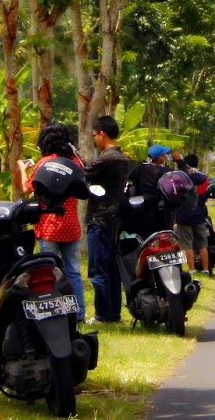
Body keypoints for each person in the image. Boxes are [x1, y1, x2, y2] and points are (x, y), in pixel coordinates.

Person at [18, 122, 86, 314]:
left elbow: (26, 189)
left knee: (48, 271)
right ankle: (79, 312)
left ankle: (54, 310)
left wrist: (23, 169)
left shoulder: (44, 163)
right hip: (71, 226)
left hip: (49, 226)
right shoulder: (74, 162)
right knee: (73, 271)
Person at [82, 115, 131, 324]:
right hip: (114, 219)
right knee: (111, 269)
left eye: (94, 135)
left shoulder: (107, 158)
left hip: (100, 219)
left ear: (102, 133)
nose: (94, 139)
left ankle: (102, 314)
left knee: (98, 268)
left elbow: (84, 172)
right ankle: (114, 313)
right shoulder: (122, 158)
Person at [175, 153, 212, 275]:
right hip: (199, 214)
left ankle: (191, 269)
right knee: (202, 243)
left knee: (187, 244)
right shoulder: (203, 178)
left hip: (184, 214)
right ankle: (206, 269)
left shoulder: (181, 178)